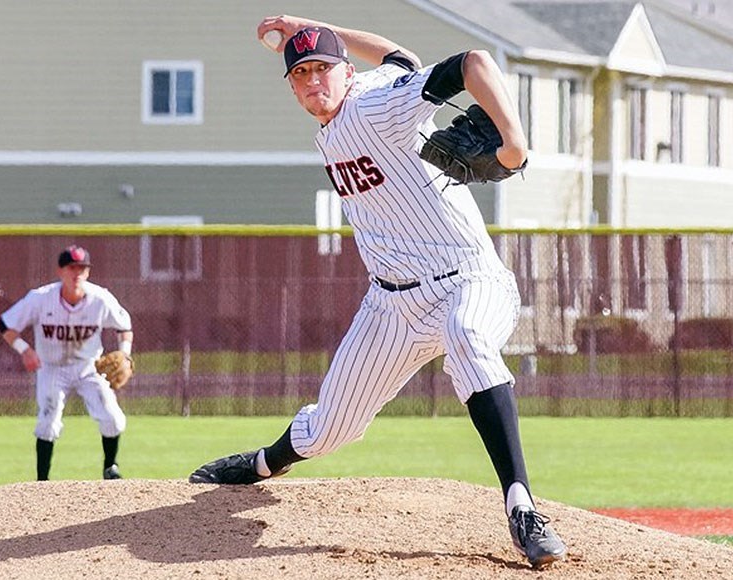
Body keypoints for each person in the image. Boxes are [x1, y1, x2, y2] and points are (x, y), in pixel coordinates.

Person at [189, 15, 567, 569]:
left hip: (468, 280)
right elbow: (399, 56)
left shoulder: (375, 105)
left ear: (346, 73)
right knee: (330, 428)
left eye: (323, 68)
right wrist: (311, 26)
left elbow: (475, 63)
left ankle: (523, 508)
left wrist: (514, 144)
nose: (313, 81)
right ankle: (265, 462)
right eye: (301, 74)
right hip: (390, 305)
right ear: (291, 86)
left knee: (467, 336)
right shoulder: (362, 94)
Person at [0, 245, 133, 481]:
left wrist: (125, 354)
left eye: (82, 268)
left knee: (112, 417)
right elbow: (5, 324)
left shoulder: (100, 298)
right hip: (52, 367)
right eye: (72, 268)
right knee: (48, 421)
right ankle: (42, 482)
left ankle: (110, 468)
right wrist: (25, 350)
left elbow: (125, 327)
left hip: (89, 366)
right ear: (60, 271)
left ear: (88, 272)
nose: (77, 273)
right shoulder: (40, 298)